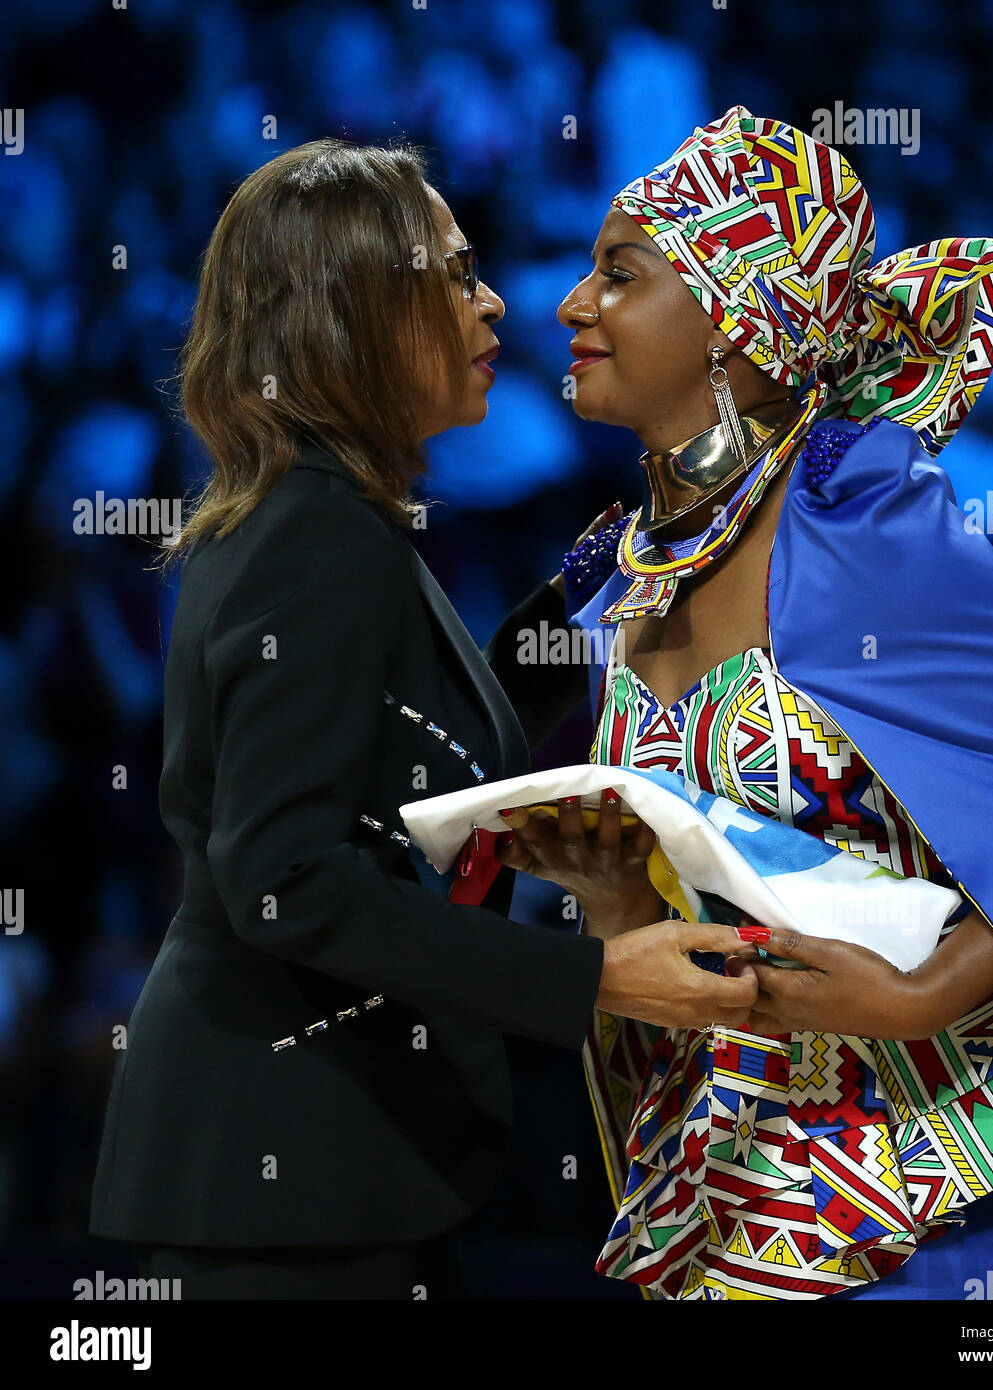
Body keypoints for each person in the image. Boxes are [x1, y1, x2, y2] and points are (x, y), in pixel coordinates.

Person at [86, 137, 761, 1300]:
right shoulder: (319, 537)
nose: (495, 298)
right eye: (454, 276)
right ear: (358, 311)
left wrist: (583, 605)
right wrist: (596, 979)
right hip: (284, 1189)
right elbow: (285, 876)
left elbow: (397, 758)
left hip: (299, 1174)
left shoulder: (318, 512)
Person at [496, 107, 993, 1300]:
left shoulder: (854, 514)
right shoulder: (616, 573)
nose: (569, 305)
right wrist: (606, 894)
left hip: (921, 1211)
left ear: (737, 321)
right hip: (711, 1203)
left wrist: (916, 998)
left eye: (619, 273)